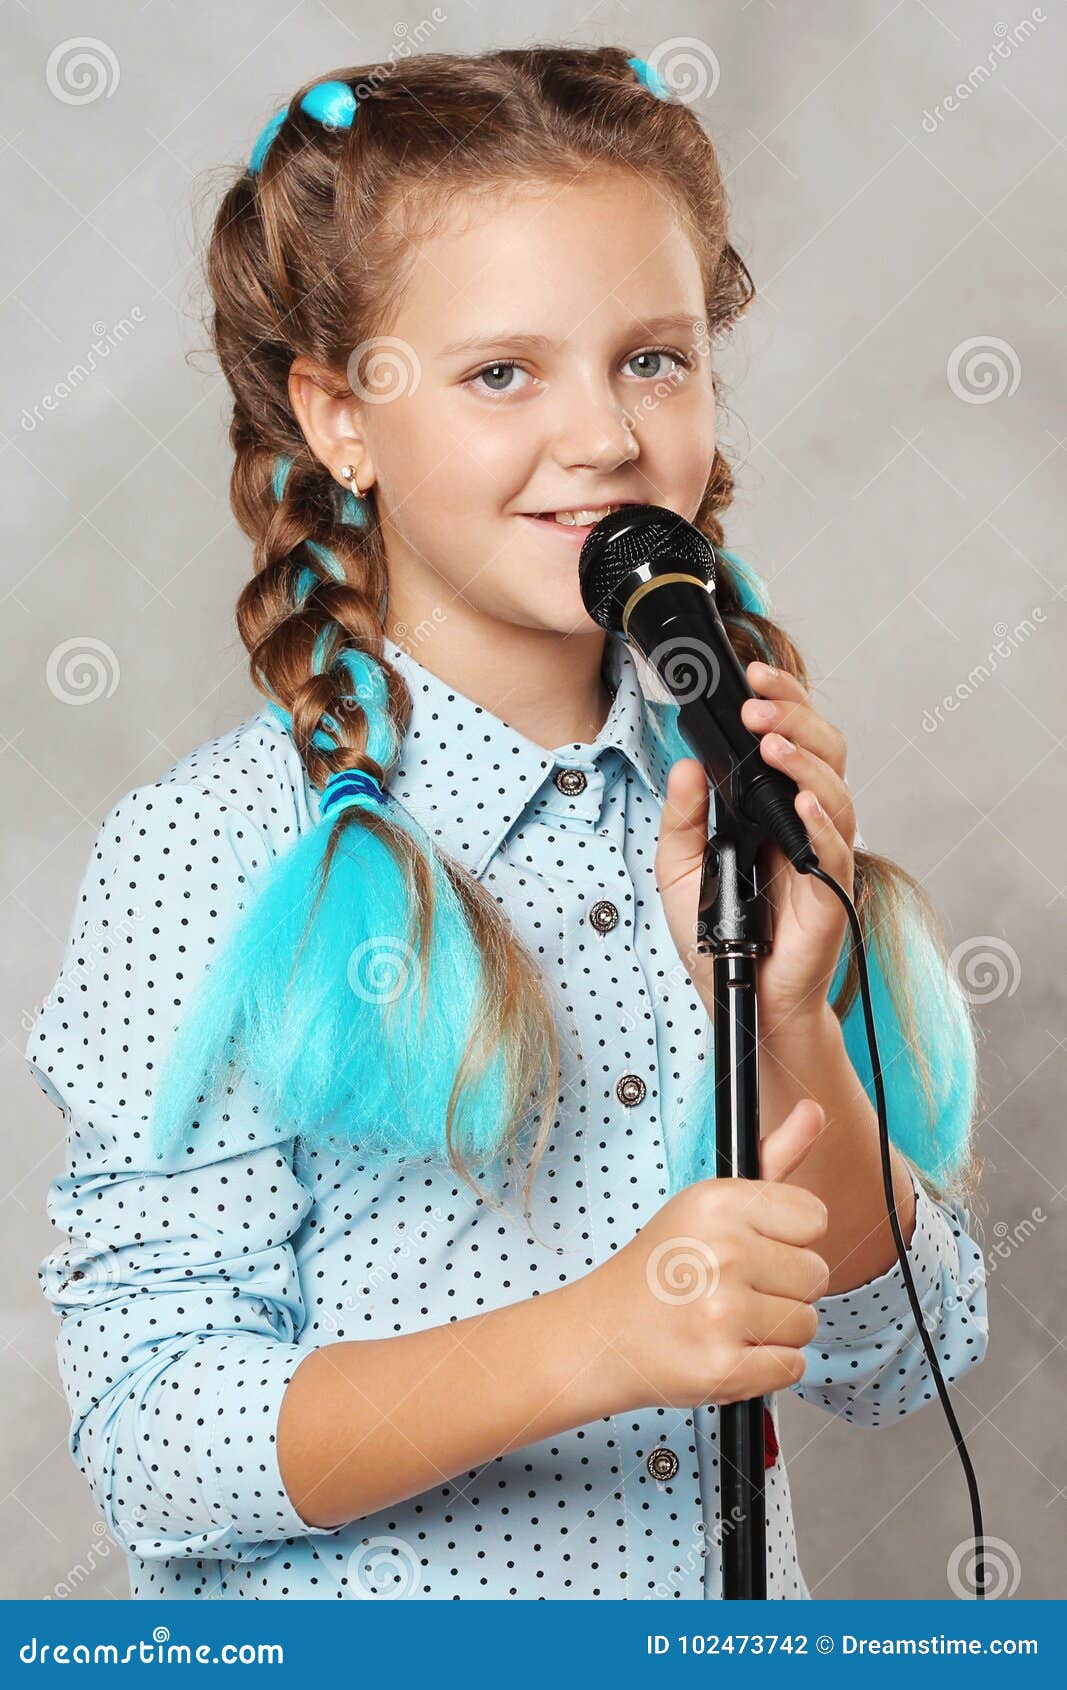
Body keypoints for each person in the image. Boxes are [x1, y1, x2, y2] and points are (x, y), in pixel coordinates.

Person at [26, 47, 987, 1601]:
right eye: (500, 373)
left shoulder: (730, 800)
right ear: (341, 415)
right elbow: (154, 1439)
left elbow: (900, 1360)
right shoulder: (205, 850)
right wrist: (593, 1337)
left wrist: (794, 1012)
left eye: (654, 359)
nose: (604, 436)